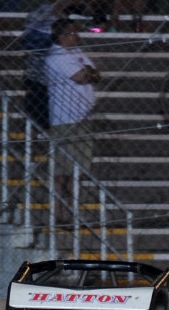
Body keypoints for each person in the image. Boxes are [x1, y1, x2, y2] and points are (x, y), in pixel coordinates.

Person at [45, 18, 101, 217]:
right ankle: (58, 212)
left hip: (83, 118)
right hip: (65, 119)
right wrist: (87, 73)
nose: (77, 36)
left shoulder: (76, 52)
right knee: (62, 172)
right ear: (61, 36)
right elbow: (82, 77)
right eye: (72, 33)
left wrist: (88, 73)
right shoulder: (56, 56)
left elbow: (95, 74)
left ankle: (72, 211)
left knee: (76, 170)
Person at [21, 0, 77, 130]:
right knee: (37, 107)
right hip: (38, 73)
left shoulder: (63, 15)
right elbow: (30, 39)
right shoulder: (41, 14)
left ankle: (44, 134)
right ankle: (35, 135)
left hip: (55, 75)